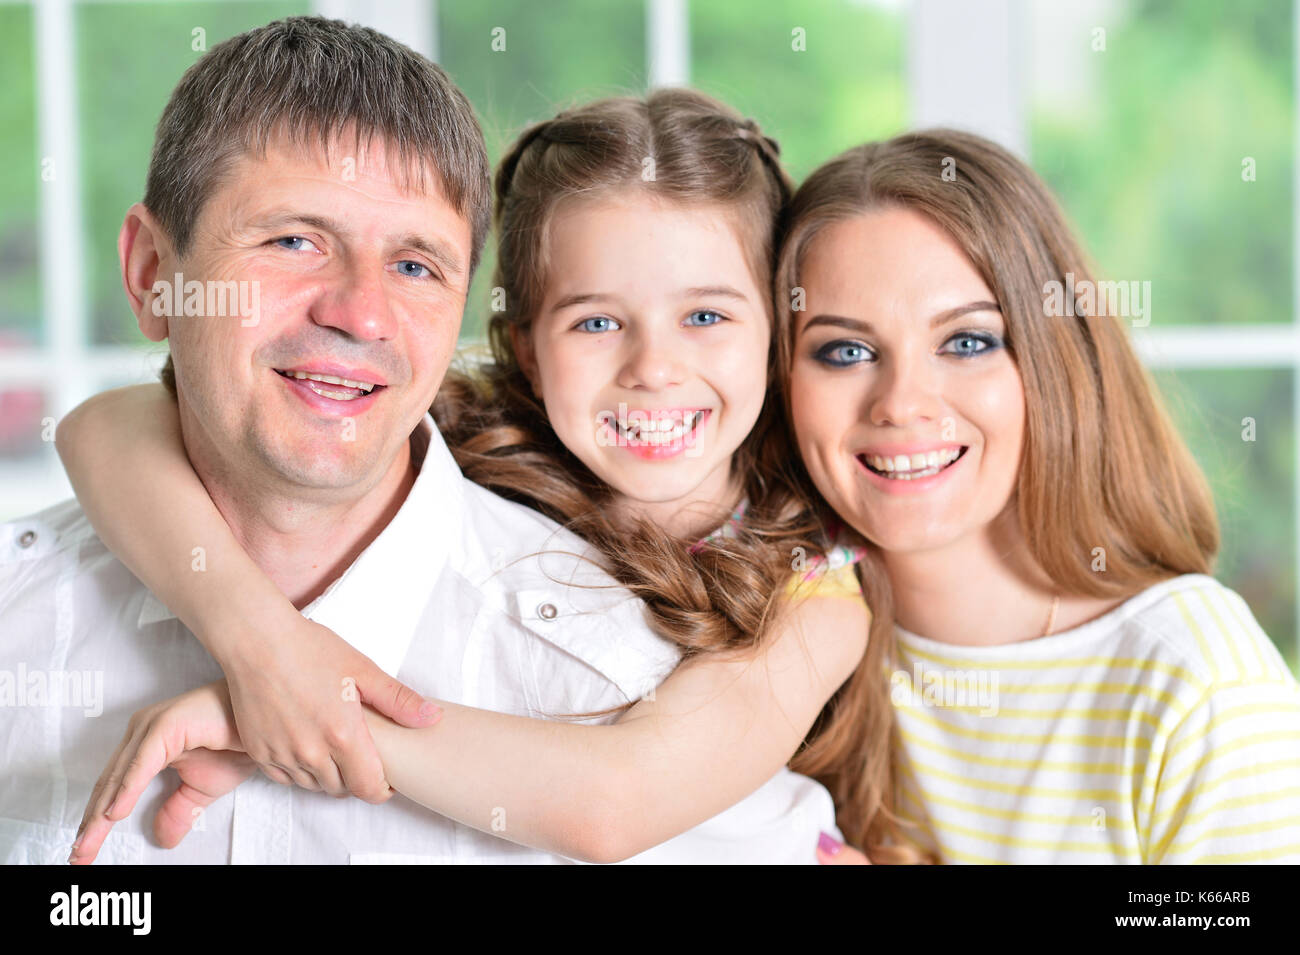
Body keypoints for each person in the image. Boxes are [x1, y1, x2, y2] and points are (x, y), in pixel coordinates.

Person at [0, 16, 839, 865]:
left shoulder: (702, 644)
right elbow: (108, 422)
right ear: (152, 275)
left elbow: (614, 803)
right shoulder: (492, 436)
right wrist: (261, 642)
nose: (360, 314)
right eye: (294, 239)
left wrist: (294, 714)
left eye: (414, 265)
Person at [782, 130, 1300, 864]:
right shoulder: (781, 645)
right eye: (845, 351)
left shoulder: (1198, 682)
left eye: (965, 341)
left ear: (1054, 363)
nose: (901, 403)